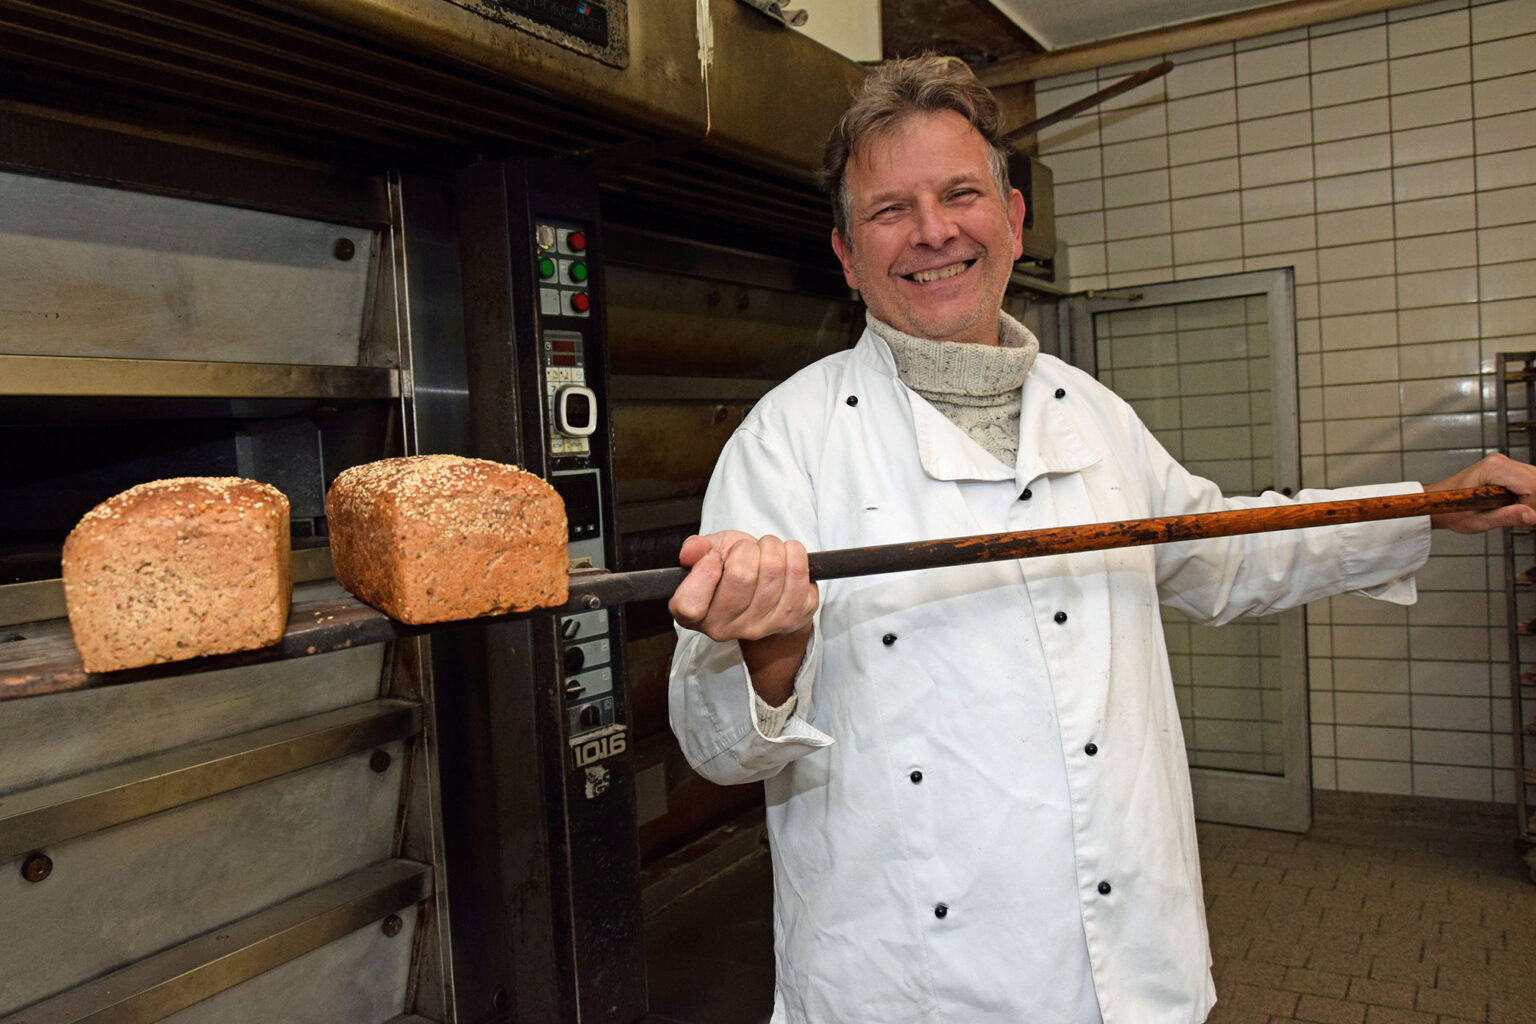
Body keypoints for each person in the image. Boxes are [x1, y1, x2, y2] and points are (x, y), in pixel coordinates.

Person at [666, 55, 1536, 1024]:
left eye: (961, 193)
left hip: (1128, 962)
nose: (934, 231)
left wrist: (1421, 506)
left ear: (1013, 218)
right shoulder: (788, 441)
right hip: (913, 979)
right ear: (845, 251)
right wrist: (770, 654)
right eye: (891, 209)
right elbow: (713, 745)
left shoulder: (1092, 412)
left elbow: (1229, 547)